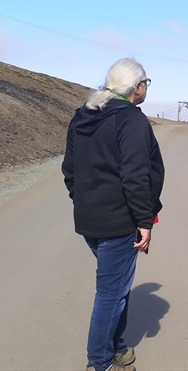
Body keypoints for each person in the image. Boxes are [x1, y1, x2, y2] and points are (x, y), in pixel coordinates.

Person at [62, 58, 164, 371]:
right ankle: (100, 361)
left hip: (91, 219)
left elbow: (70, 169)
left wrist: (84, 201)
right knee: (111, 294)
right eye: (147, 82)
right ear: (137, 87)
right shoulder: (130, 120)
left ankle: (117, 347)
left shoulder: (84, 114)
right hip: (119, 221)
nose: (147, 87)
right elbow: (135, 176)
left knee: (117, 288)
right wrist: (144, 222)